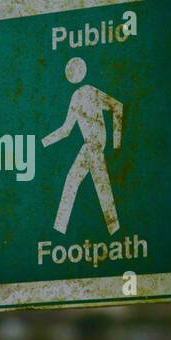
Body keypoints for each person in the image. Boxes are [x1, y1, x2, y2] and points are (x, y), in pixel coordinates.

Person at [41, 57, 123, 235]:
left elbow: (117, 107)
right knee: (96, 185)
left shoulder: (89, 91)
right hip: (91, 146)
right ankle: (114, 229)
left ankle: (59, 230)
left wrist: (117, 144)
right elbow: (66, 130)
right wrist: (43, 142)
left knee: (77, 181)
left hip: (94, 145)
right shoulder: (76, 96)